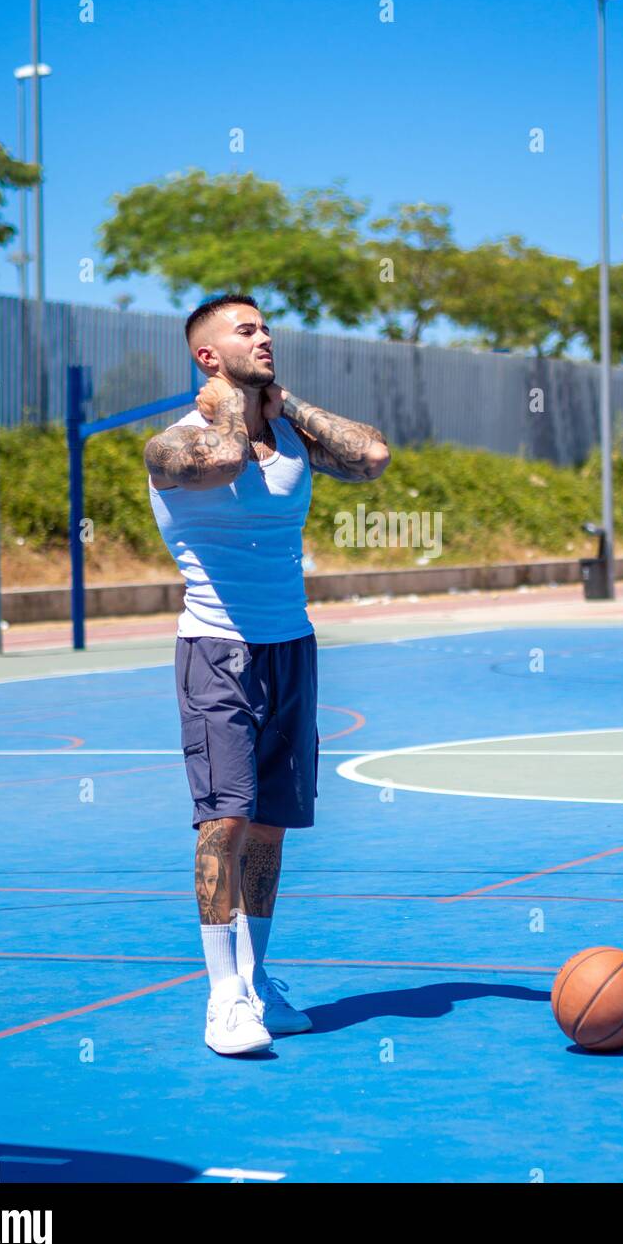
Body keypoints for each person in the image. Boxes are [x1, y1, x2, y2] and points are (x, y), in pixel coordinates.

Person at [144, 294, 390, 1055]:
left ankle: (256, 979)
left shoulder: (288, 432)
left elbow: (372, 457)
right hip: (217, 649)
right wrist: (229, 408)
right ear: (207, 356)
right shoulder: (171, 444)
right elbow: (217, 462)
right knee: (224, 820)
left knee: (272, 827)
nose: (266, 335)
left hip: (292, 647)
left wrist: (284, 407)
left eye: (267, 325)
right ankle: (221, 997)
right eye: (246, 330)